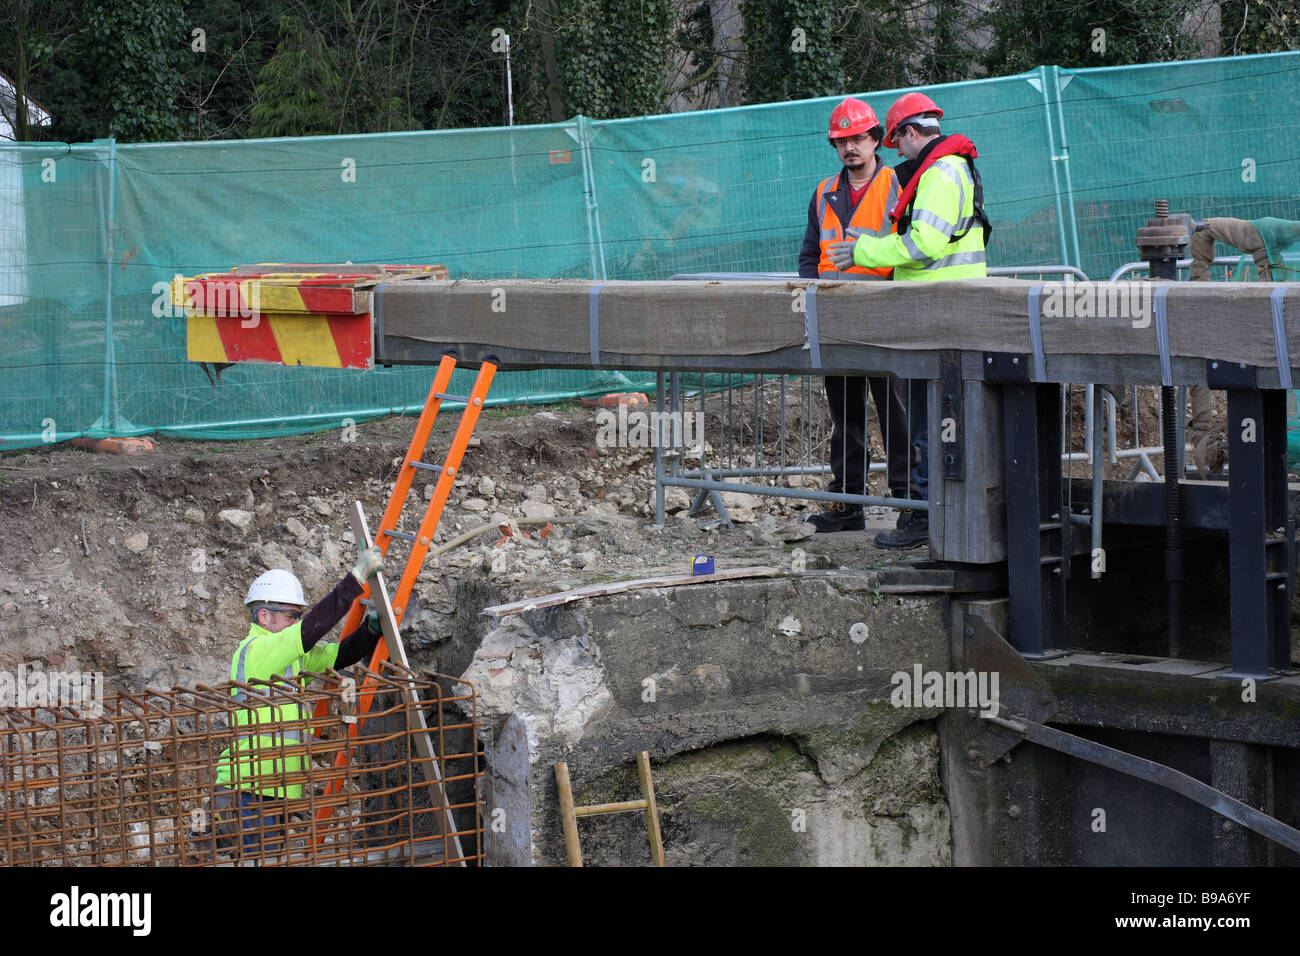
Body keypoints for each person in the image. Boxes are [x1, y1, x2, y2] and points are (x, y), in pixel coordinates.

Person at [829, 91, 990, 548]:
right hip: (946, 311)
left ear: (912, 133)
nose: (895, 149)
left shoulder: (940, 173)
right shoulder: (954, 167)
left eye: (897, 139)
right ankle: (934, 516)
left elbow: (923, 245)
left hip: (938, 312)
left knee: (924, 422)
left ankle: (922, 517)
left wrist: (865, 249)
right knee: (937, 420)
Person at [211, 545, 386, 860]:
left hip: (273, 789)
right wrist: (356, 578)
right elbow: (312, 628)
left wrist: (369, 631)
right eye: (292, 615)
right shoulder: (256, 650)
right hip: (248, 789)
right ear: (265, 616)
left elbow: (339, 655)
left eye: (298, 615)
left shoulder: (290, 656)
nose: (298, 621)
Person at [797, 96, 916, 534]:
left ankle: (910, 503)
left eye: (858, 138)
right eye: (842, 140)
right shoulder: (824, 192)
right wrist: (813, 296)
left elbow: (910, 249)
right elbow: (810, 254)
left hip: (884, 315)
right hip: (836, 317)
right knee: (845, 415)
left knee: (897, 414)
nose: (850, 147)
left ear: (874, 141)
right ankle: (848, 504)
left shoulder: (897, 184)